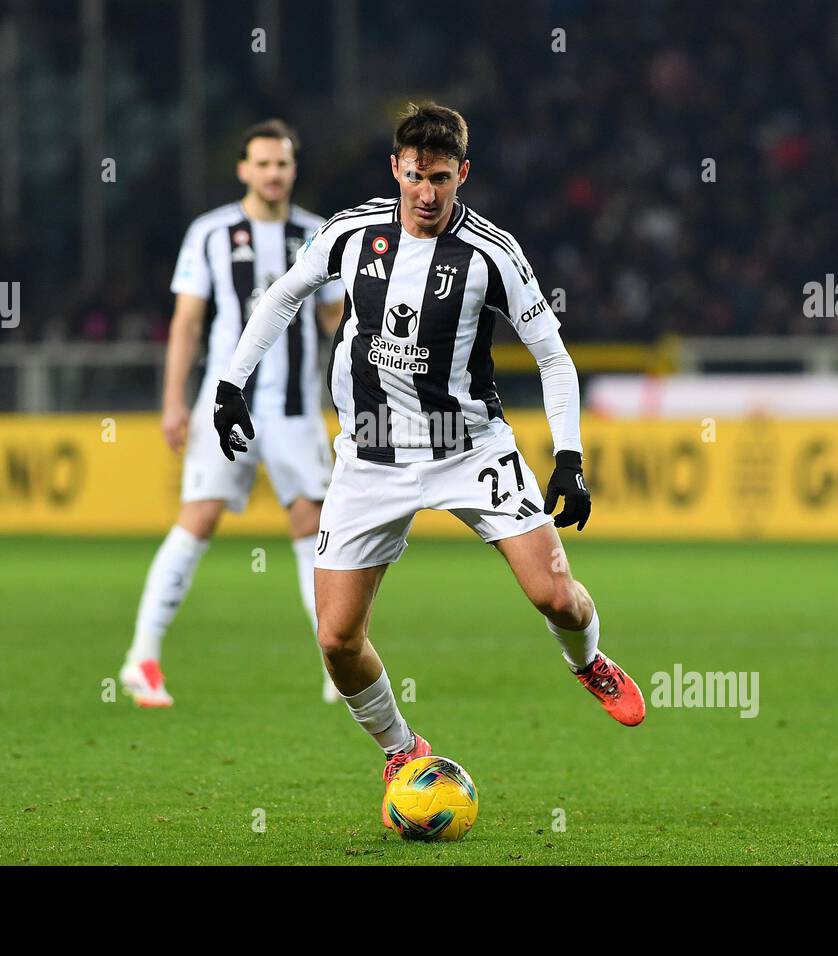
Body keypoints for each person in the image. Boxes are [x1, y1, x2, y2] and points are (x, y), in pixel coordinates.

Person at [212, 103, 645, 825]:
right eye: (415, 176)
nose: (426, 193)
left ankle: (588, 662)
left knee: (556, 596)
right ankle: (403, 750)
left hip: (469, 448)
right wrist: (232, 381)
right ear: (396, 169)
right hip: (372, 457)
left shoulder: (492, 254)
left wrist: (567, 458)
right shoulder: (352, 234)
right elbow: (284, 295)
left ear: (461, 175)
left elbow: (553, 358)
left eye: (441, 178)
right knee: (335, 638)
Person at [120, 119, 345, 707]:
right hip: (228, 401)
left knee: (312, 525)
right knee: (200, 515)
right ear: (244, 169)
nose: (273, 174)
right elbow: (188, 321)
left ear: (294, 171)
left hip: (296, 407)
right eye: (263, 164)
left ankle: (336, 661)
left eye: (283, 165)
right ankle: (142, 657)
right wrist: (174, 400)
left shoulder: (318, 234)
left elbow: (334, 323)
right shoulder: (211, 233)